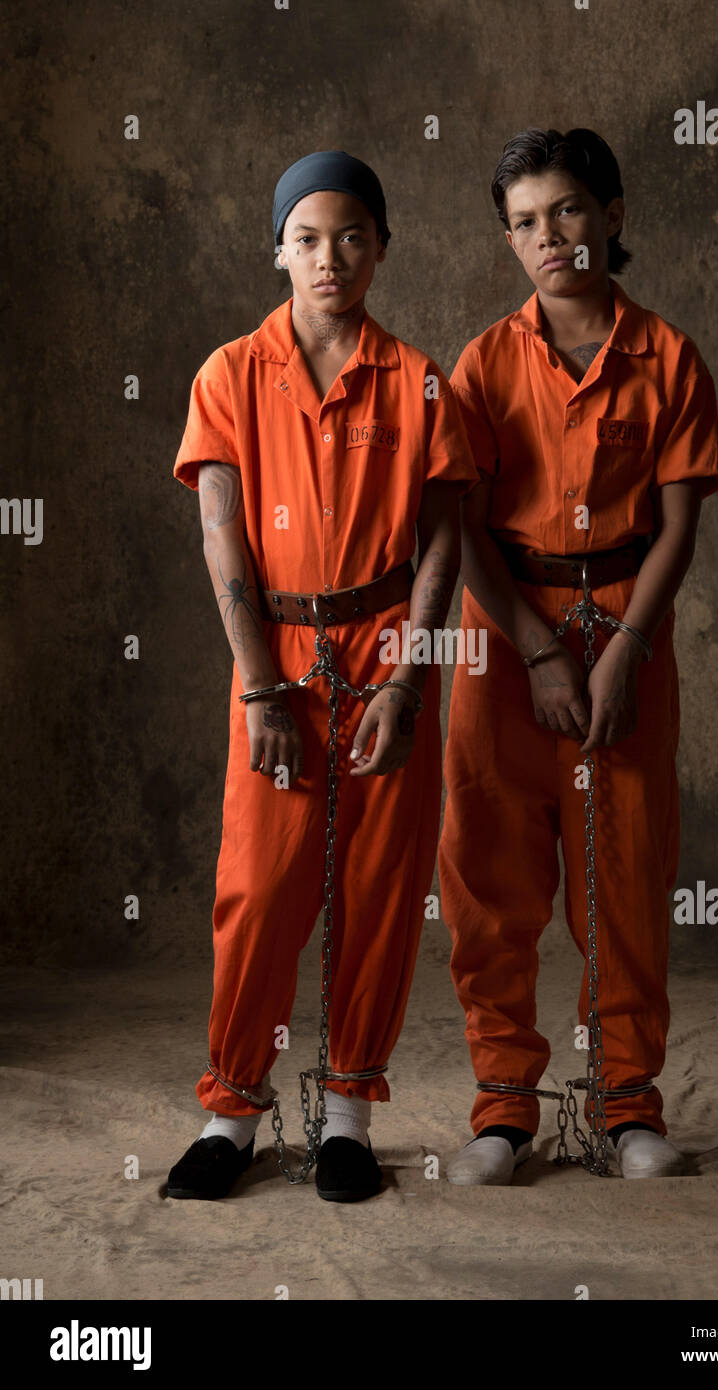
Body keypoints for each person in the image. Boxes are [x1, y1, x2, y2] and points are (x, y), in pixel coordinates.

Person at [166, 151, 477, 1202]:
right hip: (280, 658)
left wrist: (405, 682)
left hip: (386, 649)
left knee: (380, 888)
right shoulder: (228, 374)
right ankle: (230, 1112)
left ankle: (346, 1113)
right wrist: (260, 686)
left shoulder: (420, 380)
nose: (329, 256)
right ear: (277, 251)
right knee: (260, 890)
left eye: (351, 234)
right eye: (306, 237)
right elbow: (223, 541)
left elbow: (441, 544)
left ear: (381, 246)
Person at [438, 127, 718, 1184]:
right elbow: (463, 526)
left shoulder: (668, 356)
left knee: (624, 868)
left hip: (621, 621)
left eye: (565, 210)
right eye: (522, 221)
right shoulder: (481, 362)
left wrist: (623, 650)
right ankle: (502, 1108)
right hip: (503, 631)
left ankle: (623, 1104)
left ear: (609, 213)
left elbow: (679, 520)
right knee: (487, 870)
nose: (547, 236)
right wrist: (532, 649)